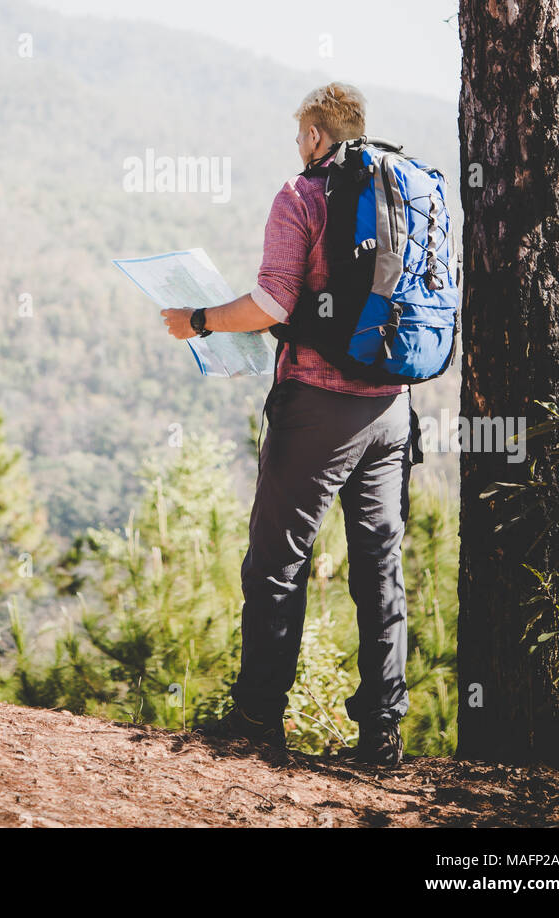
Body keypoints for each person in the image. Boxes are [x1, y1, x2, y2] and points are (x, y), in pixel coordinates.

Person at [161, 82, 412, 766]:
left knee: (276, 561)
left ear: (314, 135)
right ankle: (382, 732)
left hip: (318, 406)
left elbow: (272, 301)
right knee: (379, 565)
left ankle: (256, 719)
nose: (296, 144)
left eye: (300, 133)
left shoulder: (300, 196)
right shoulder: (402, 192)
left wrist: (200, 320)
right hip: (392, 404)